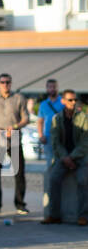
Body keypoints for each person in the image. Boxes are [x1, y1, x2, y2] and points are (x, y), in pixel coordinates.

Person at [0, 73, 29, 214]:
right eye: (2, 82)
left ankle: (20, 204)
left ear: (11, 83)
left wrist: (14, 127)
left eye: (8, 82)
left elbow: (26, 118)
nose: (5, 84)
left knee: (19, 172)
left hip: (13, 138)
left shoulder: (19, 98)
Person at [43, 90, 88, 226]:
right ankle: (54, 215)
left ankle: (83, 216)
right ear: (63, 101)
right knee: (53, 178)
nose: (73, 102)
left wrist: (72, 157)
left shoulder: (84, 118)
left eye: (75, 100)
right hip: (63, 158)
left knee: (83, 180)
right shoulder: (57, 118)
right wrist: (65, 158)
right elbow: (55, 142)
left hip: (79, 157)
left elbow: (85, 142)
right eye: (70, 100)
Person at [36, 78, 63, 173]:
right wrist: (41, 135)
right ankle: (51, 186)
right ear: (47, 89)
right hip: (48, 137)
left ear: (57, 88)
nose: (52, 89)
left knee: (62, 161)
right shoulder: (43, 104)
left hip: (62, 136)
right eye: (50, 87)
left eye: (54, 87)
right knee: (50, 163)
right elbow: (40, 121)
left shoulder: (63, 102)